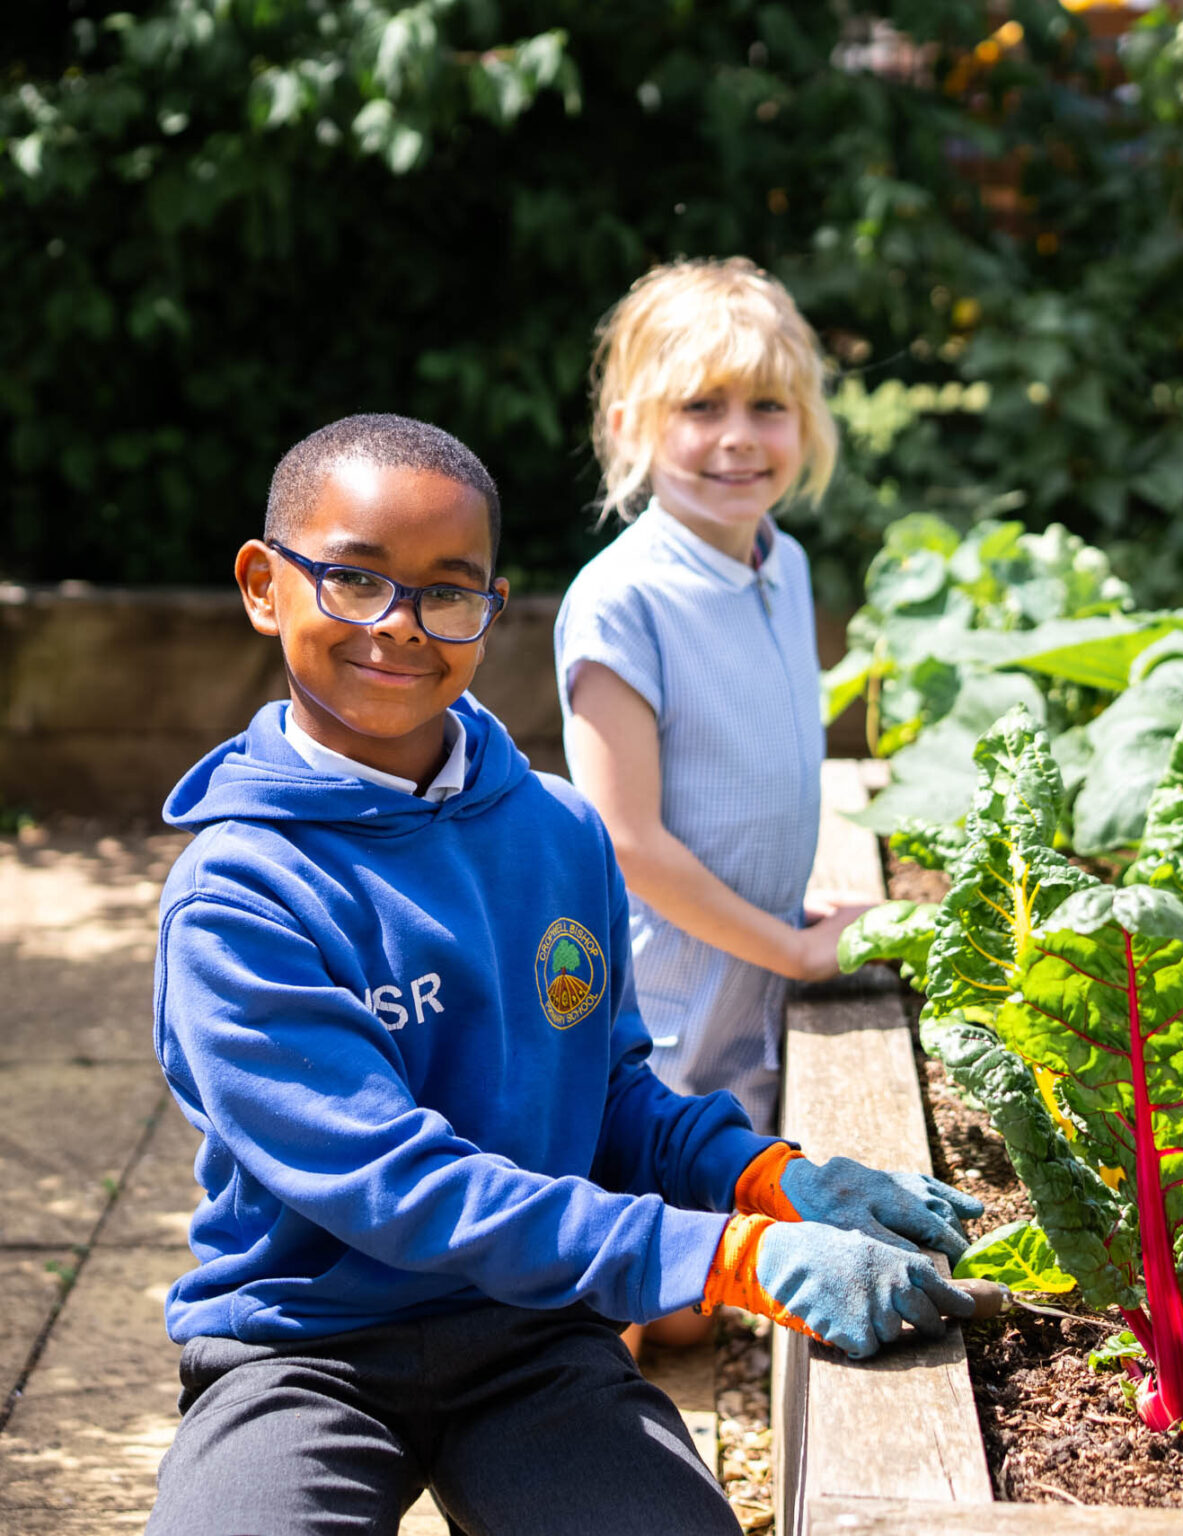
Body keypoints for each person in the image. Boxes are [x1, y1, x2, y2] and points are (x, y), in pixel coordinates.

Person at [145, 413, 982, 1536]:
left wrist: (768, 1180)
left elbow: (610, 1092)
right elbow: (403, 1188)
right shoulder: (238, 896)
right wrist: (728, 1257)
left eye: (448, 592)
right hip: (302, 1346)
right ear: (263, 584)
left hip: (534, 1330)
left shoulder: (557, 831)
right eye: (353, 581)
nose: (400, 627)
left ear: (492, 607)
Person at [555, 258, 865, 1154]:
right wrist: (799, 952)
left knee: (748, 1227)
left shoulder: (788, 564)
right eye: (701, 407)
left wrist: (785, 921)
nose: (739, 437)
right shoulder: (622, 600)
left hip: (757, 978)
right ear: (629, 429)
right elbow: (627, 840)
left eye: (768, 406)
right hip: (665, 1015)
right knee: (675, 1268)